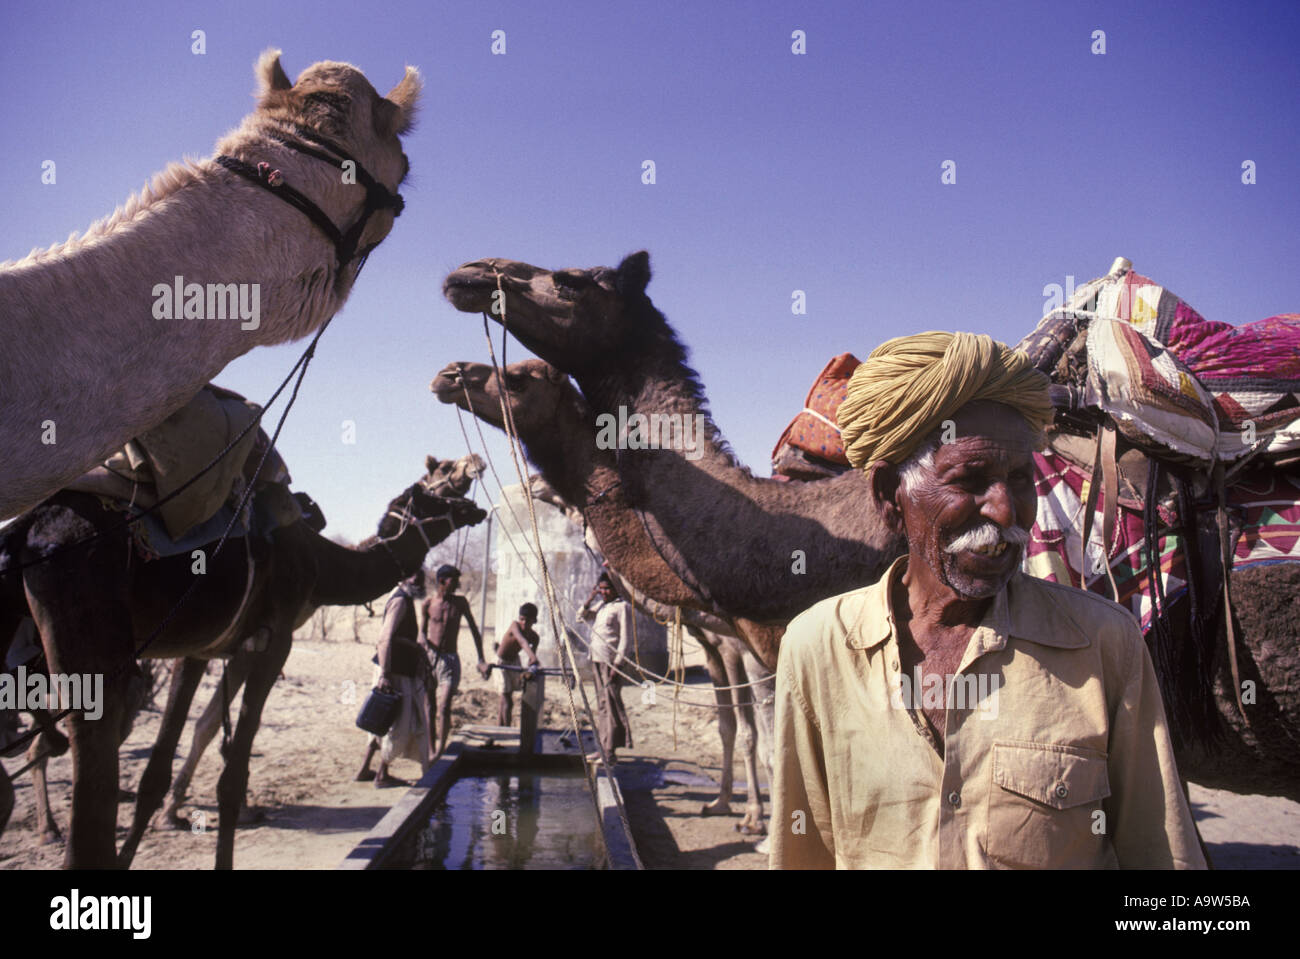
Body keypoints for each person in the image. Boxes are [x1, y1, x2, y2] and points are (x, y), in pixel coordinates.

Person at [770, 331, 1206, 869]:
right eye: (971, 479)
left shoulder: (1104, 645)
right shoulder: (818, 648)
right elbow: (802, 854)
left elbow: (1164, 866)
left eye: (1020, 479)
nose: (1007, 511)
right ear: (889, 497)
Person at [356, 573, 429, 787]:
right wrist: (386, 674)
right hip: (393, 671)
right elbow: (385, 638)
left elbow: (393, 637)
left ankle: (364, 769)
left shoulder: (400, 597)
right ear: (404, 577)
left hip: (392, 668)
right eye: (413, 576)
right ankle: (382, 774)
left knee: (378, 719)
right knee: (395, 722)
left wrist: (411, 645)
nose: (418, 581)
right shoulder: (400, 600)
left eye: (421, 577)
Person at [422, 564, 490, 761]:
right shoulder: (428, 604)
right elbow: (422, 631)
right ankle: (430, 748)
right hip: (430, 659)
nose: (458, 584)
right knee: (430, 706)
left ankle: (440, 751)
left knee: (444, 706)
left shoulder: (460, 603)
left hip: (450, 660)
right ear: (442, 581)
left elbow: (475, 631)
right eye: (454, 580)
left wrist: (481, 659)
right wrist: (422, 646)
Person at [578, 573, 633, 764]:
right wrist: (590, 598)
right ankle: (602, 747)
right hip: (596, 659)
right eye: (601, 589)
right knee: (602, 706)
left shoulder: (621, 607)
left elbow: (625, 640)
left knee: (611, 705)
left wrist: (617, 665)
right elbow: (581, 617)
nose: (604, 592)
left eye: (607, 588)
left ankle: (609, 753)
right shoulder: (601, 606)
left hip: (610, 663)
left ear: (616, 588)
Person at [495, 603, 541, 727]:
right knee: (507, 701)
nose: (524, 623)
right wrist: (533, 657)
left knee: (506, 698)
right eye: (522, 619)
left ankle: (500, 728)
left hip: (514, 661)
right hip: (501, 662)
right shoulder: (514, 626)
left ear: (534, 620)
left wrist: (532, 666)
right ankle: (506, 731)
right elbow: (522, 641)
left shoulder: (535, 637)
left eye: (528, 620)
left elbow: (531, 662)